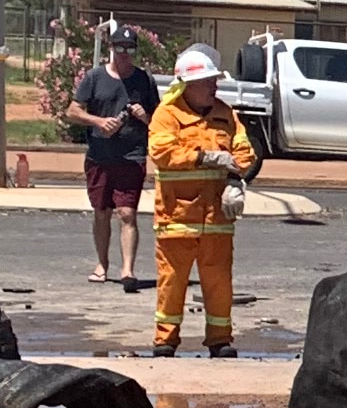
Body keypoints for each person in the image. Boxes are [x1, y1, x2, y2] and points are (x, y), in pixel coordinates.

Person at [148, 46, 262, 359]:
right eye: (208, 81)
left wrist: (235, 181)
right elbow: (162, 153)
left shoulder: (226, 114)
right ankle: (165, 340)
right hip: (176, 218)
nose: (214, 86)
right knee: (172, 282)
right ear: (189, 84)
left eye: (214, 80)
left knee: (219, 283)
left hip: (217, 219)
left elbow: (244, 152)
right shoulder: (167, 115)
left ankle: (220, 339)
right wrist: (204, 157)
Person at [65, 21, 159, 287]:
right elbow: (72, 111)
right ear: (111, 48)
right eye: (120, 48)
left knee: (127, 213)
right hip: (100, 156)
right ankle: (102, 264)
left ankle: (128, 270)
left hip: (132, 156)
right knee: (102, 211)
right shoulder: (95, 77)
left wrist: (144, 116)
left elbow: (159, 121)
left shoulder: (144, 80)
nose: (124, 53)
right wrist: (99, 121)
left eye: (130, 48)